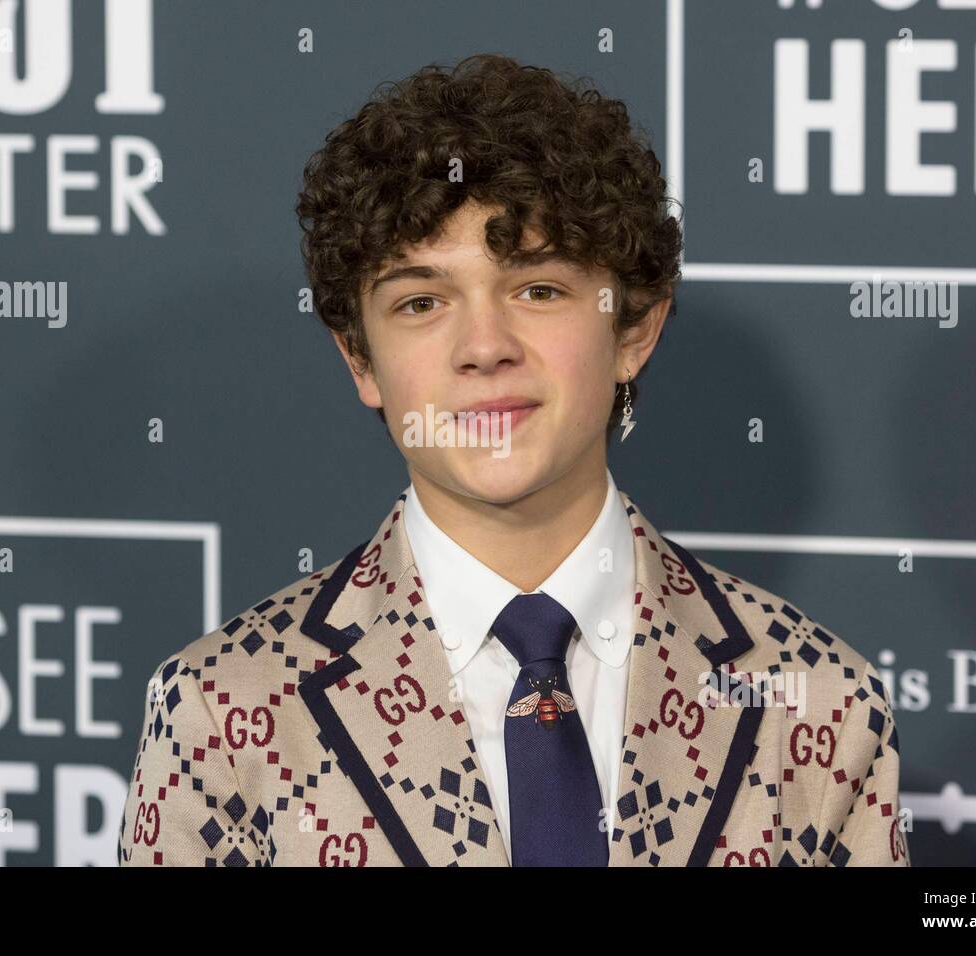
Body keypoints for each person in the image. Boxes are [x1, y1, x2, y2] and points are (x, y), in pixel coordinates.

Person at [118, 53, 909, 867]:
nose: (485, 348)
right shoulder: (223, 709)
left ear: (633, 329)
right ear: (361, 360)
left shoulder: (819, 704)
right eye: (420, 303)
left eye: (537, 290)